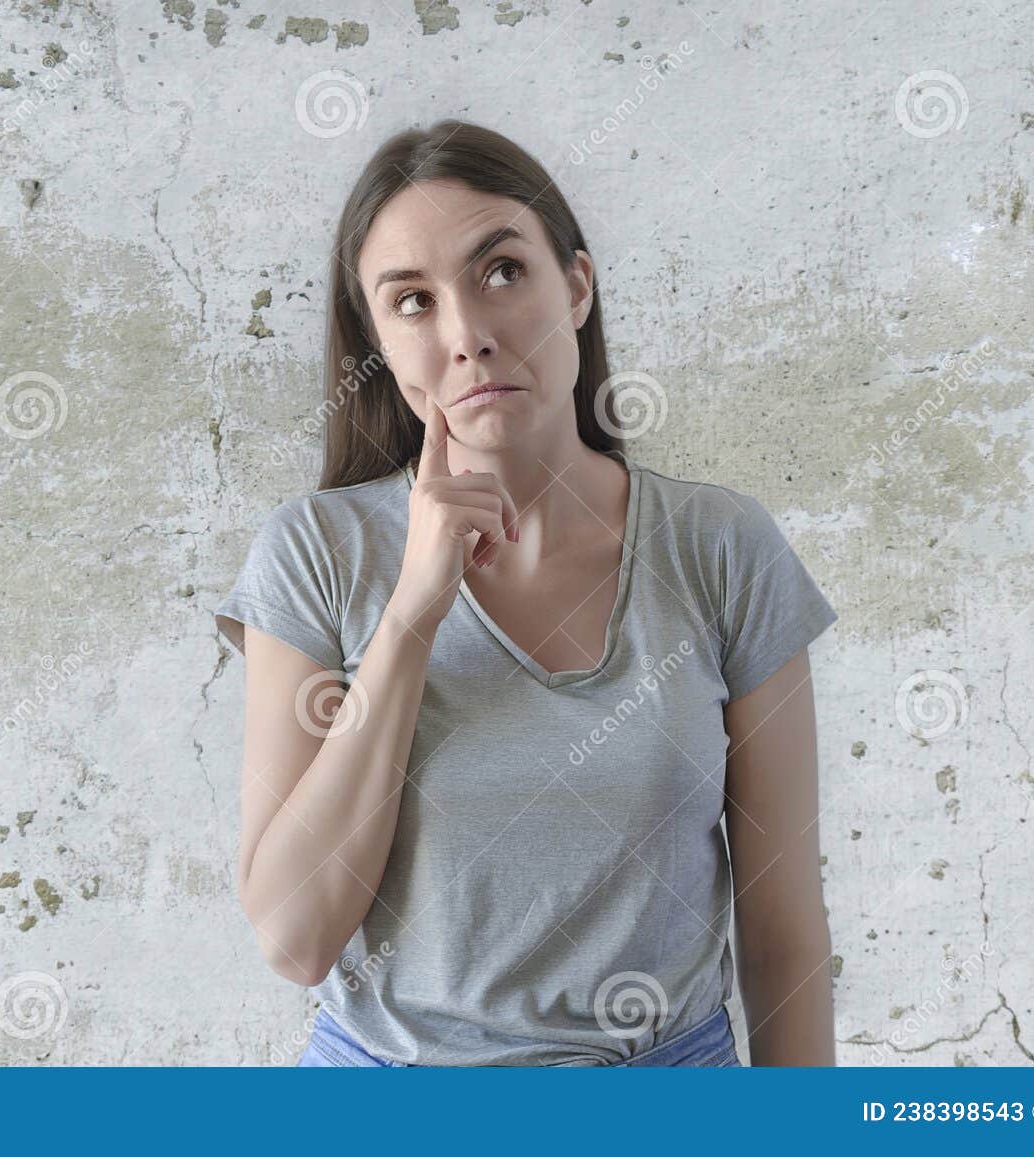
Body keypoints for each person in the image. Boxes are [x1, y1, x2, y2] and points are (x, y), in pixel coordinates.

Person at [215, 120, 838, 1067]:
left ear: (576, 286)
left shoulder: (722, 550)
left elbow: (784, 935)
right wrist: (414, 611)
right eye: (413, 302)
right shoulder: (316, 554)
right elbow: (297, 937)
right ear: (379, 343)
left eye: (502, 271)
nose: (467, 336)